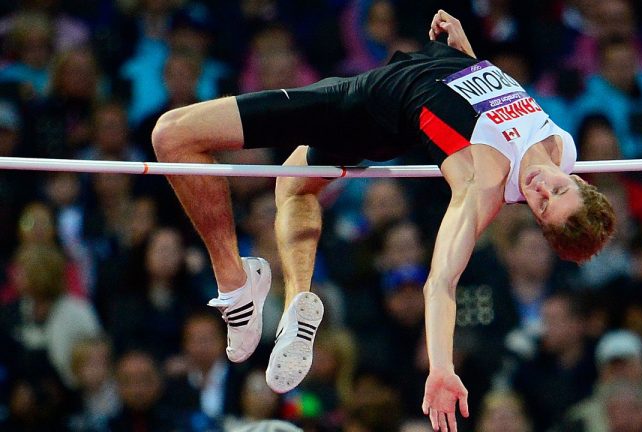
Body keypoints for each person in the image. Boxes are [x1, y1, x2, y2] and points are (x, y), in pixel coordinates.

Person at [152, 9, 616, 431]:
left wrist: (441, 367)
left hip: (362, 105)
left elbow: (441, 284)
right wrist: (466, 55)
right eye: (558, 188)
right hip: (418, 75)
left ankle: (235, 282)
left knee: (172, 136)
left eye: (540, 204)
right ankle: (296, 300)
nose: (540, 186)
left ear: (531, 216)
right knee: (294, 182)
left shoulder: (483, 184)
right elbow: (484, 106)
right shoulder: (563, 147)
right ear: (581, 182)